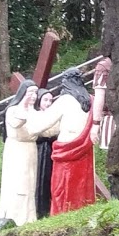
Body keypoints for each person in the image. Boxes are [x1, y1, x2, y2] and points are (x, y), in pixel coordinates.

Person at [25, 68, 96, 215]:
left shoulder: (65, 100)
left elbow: (39, 126)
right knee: (82, 184)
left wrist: (30, 110)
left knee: (62, 187)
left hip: (66, 148)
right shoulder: (91, 100)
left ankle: (64, 212)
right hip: (84, 147)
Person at [0, 79, 39, 226]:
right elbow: (15, 123)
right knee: (18, 184)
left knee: (30, 183)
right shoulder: (13, 110)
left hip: (31, 149)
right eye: (30, 92)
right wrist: (27, 113)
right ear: (22, 93)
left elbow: (45, 128)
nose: (33, 96)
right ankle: (15, 217)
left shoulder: (34, 111)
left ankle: (29, 216)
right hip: (17, 149)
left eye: (35, 92)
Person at [34, 90, 55, 219]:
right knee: (38, 179)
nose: (48, 103)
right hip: (39, 149)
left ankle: (48, 208)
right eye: (45, 100)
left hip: (50, 150)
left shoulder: (54, 115)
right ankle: (38, 209)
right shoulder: (35, 115)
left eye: (50, 101)